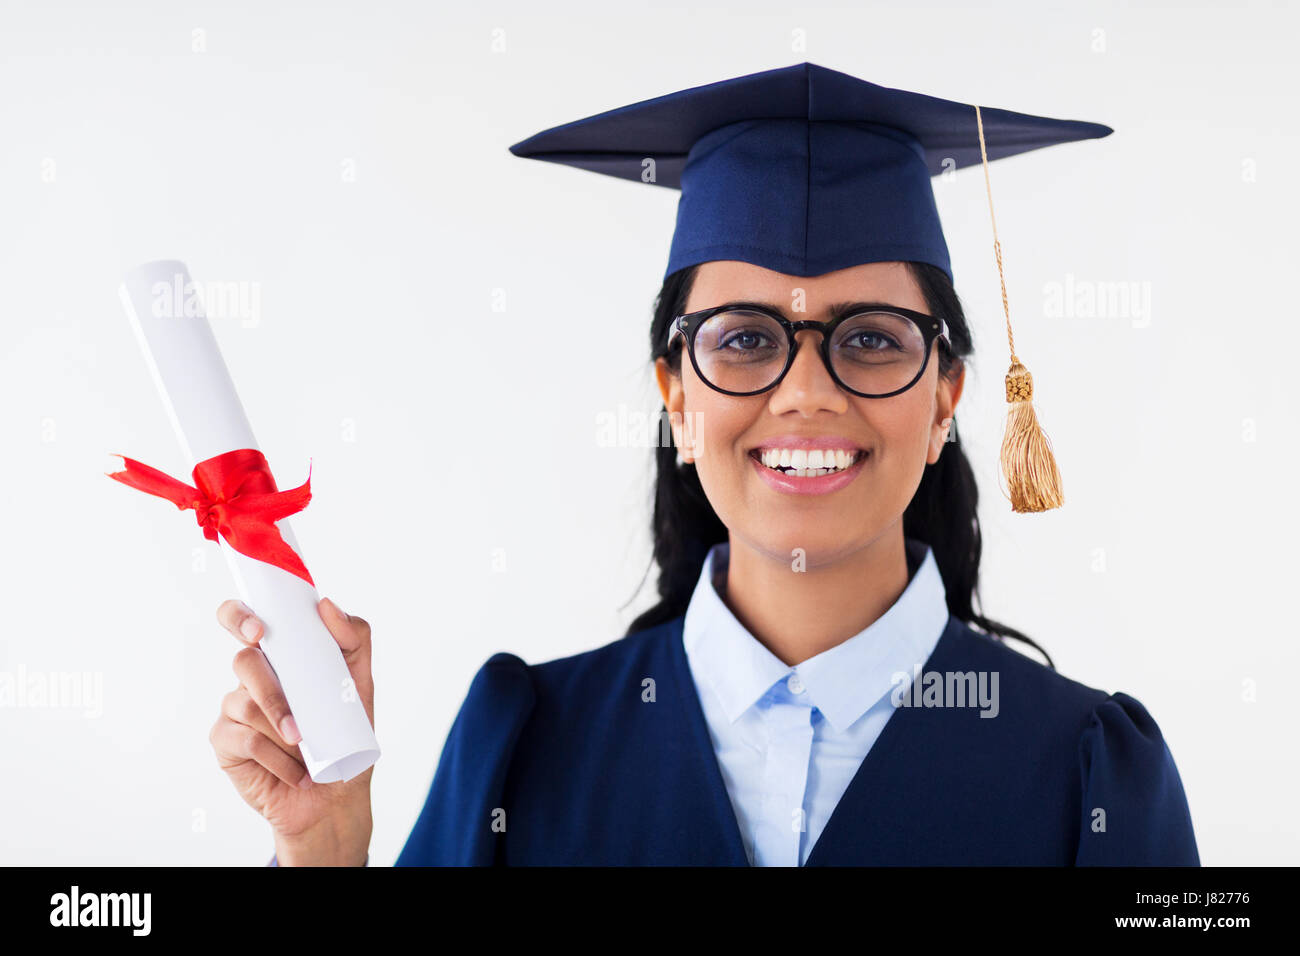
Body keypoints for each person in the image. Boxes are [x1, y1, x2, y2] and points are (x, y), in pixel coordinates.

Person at [209, 62, 1199, 866]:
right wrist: (326, 850)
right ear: (675, 397)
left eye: (870, 340)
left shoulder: (1090, 774)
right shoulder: (525, 745)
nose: (805, 390)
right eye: (742, 341)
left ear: (945, 397)